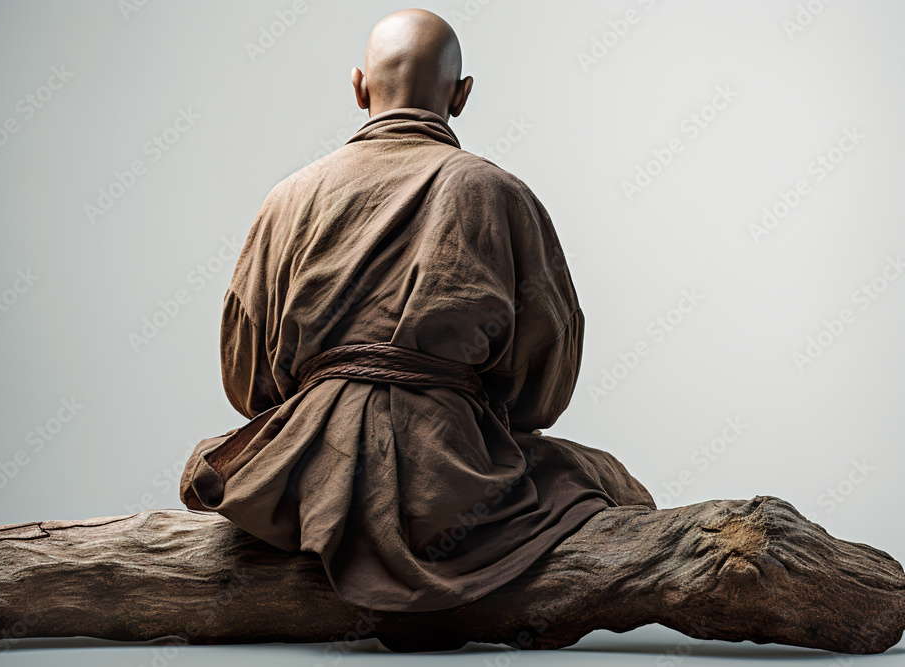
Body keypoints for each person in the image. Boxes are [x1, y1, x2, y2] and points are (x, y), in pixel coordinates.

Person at [180, 8, 654, 613]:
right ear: (461, 96)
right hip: (454, 473)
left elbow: (246, 379)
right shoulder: (501, 195)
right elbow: (545, 380)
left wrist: (328, 405)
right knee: (595, 479)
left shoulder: (287, 199)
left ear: (358, 87)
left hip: (306, 471)